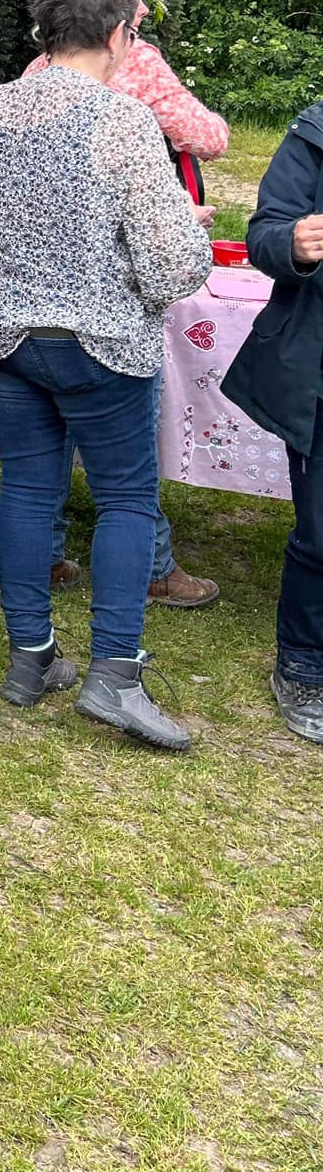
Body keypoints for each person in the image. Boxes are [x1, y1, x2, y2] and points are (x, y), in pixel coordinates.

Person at [0, 0, 214, 750]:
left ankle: (31, 660)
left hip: (1, 334)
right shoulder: (122, 122)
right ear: (117, 33)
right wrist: (179, 235)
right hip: (96, 343)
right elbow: (173, 267)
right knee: (128, 501)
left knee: (29, 489)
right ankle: (115, 678)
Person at [24, 0, 230, 608]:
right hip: (115, 277)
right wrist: (175, 217)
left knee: (46, 426)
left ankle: (50, 553)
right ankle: (152, 564)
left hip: (39, 272)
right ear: (125, 14)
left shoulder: (37, 69)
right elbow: (209, 137)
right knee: (123, 443)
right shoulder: (137, 64)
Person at [219, 102, 323, 743]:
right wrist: (294, 244)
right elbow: (264, 234)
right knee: (320, 536)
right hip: (318, 368)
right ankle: (304, 666)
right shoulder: (316, 133)